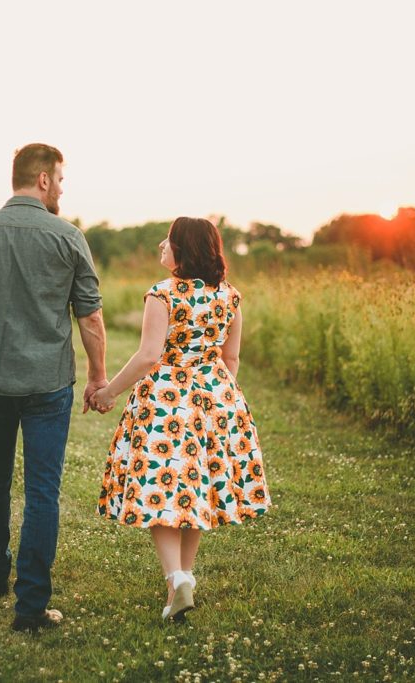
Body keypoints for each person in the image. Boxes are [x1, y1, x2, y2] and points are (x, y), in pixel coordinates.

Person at [0, 143, 107, 632]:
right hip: (48, 385)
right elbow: (90, 316)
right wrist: (98, 376)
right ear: (44, 179)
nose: (62, 190)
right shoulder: (68, 237)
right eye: (61, 180)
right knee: (42, 492)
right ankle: (30, 607)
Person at [91, 216, 271, 622]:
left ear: (183, 249)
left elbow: (148, 356)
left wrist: (109, 392)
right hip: (217, 398)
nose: (161, 244)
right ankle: (183, 580)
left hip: (167, 401)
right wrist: (218, 400)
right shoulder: (229, 296)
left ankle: (176, 577)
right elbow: (231, 358)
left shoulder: (163, 294)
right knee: (196, 487)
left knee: (160, 486)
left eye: (168, 240)